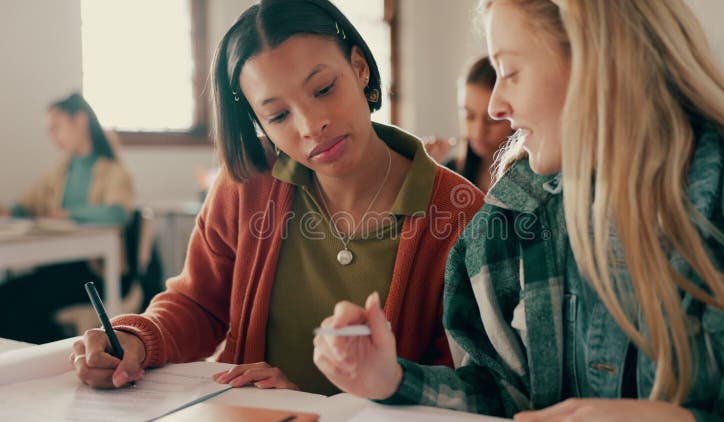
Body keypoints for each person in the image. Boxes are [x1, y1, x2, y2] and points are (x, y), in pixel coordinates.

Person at [312, 0, 724, 420]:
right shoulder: (503, 227)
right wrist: (388, 377)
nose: (498, 105)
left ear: (600, 66)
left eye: (511, 71)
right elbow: (503, 396)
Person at [70, 0, 483, 396]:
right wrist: (136, 338)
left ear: (359, 67)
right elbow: (199, 303)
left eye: (323, 89)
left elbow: (463, 384)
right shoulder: (248, 184)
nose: (311, 125)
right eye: (278, 115)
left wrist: (309, 402)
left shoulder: (462, 213)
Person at [0, 93, 134, 344]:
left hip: (95, 273)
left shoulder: (112, 170)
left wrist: (70, 214)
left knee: (15, 302)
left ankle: (44, 357)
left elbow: (117, 213)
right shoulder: (61, 170)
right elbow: (27, 205)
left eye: (56, 127)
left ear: (80, 121)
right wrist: (8, 211)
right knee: (8, 297)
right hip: (59, 269)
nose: (53, 137)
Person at [424, 56, 515, 192]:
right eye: (469, 116)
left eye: (492, 120)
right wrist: (427, 176)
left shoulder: (530, 181)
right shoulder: (451, 172)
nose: (478, 132)